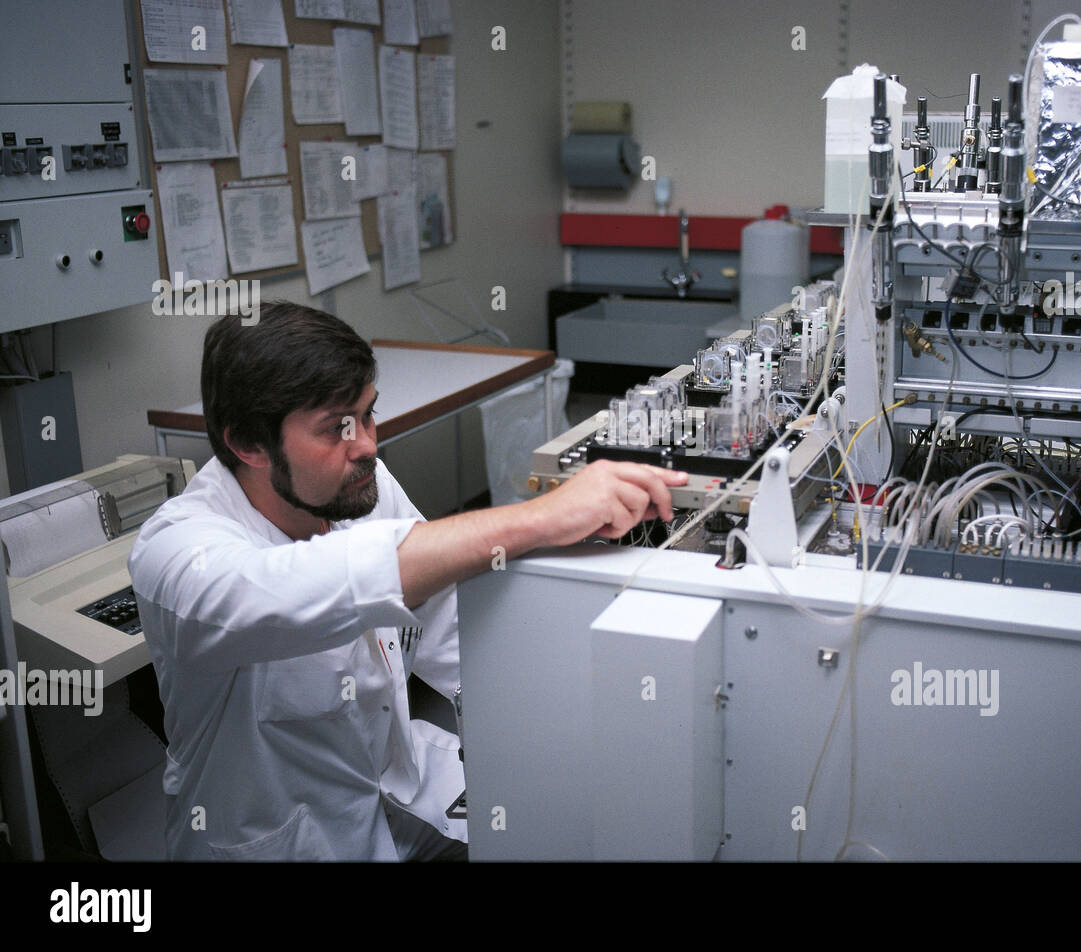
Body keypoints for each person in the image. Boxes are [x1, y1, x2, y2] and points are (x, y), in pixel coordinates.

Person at [127, 301, 687, 861]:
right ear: (248, 444)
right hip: (286, 840)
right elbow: (302, 585)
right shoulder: (177, 555)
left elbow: (450, 627)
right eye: (335, 430)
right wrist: (541, 517)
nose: (368, 444)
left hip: (395, 789)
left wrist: (584, 714)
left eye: (368, 415)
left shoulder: (354, 482)